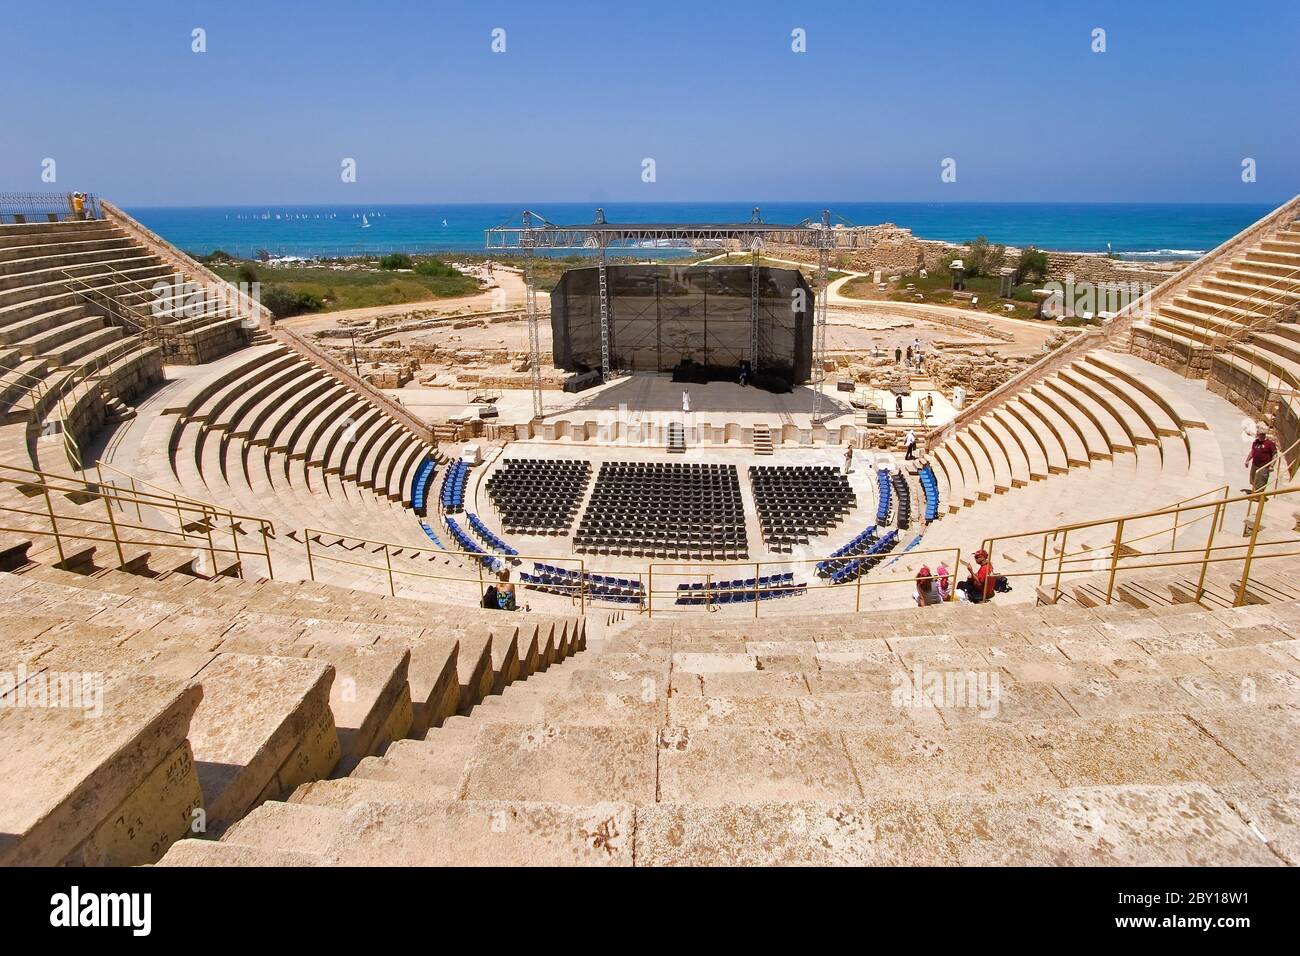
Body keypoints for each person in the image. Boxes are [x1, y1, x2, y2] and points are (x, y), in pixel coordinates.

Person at [1246, 424, 1278, 492]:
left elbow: (1275, 454)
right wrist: (1247, 460)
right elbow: (1252, 452)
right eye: (1259, 434)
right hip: (1255, 465)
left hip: (1264, 466)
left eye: (1261, 434)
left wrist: (1272, 465)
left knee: (1261, 482)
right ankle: (1254, 493)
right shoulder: (1256, 442)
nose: (1260, 435)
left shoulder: (1269, 443)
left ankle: (1258, 497)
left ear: (1264, 435)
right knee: (1253, 480)